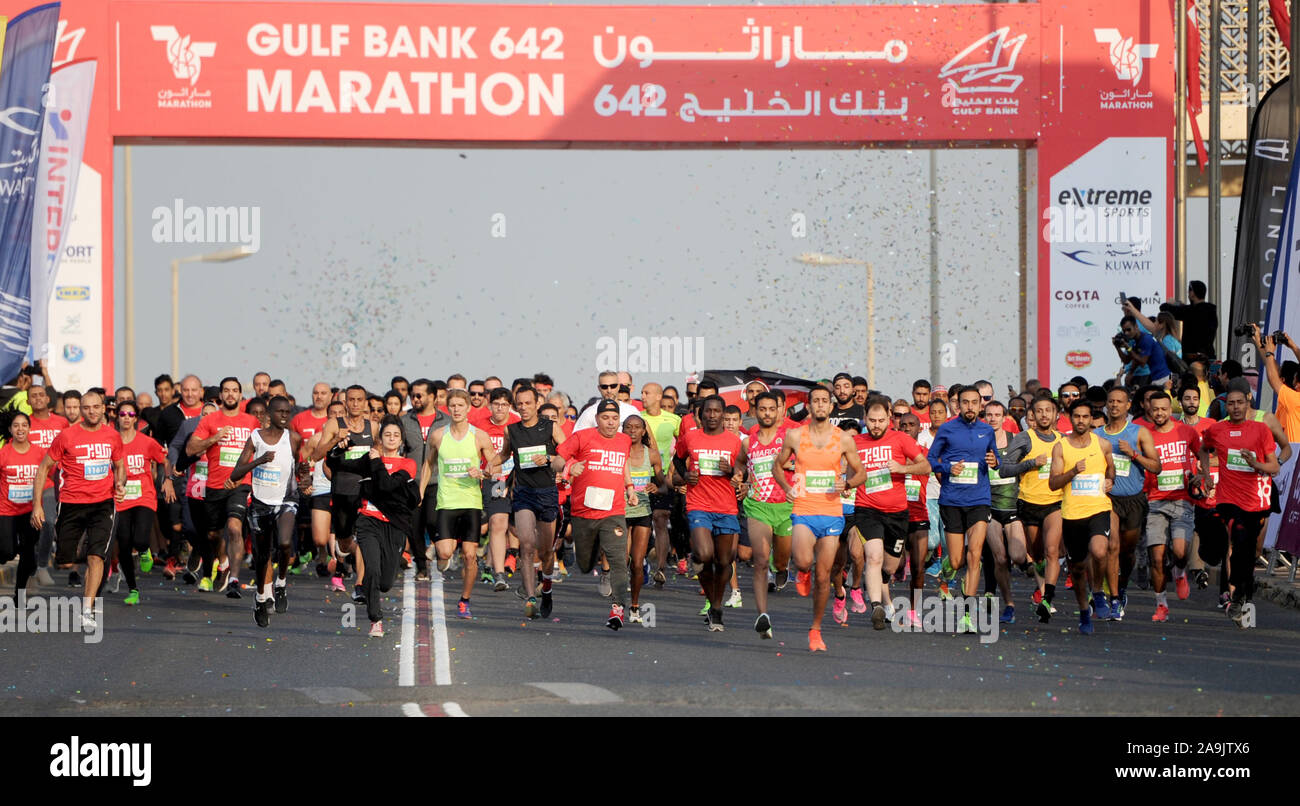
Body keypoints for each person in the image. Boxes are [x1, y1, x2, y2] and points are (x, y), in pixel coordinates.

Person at [771, 386, 867, 652]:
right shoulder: (795, 435)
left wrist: (847, 484)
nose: (821, 405)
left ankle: (815, 630)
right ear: (810, 406)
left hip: (832, 512)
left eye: (825, 401)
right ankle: (802, 572)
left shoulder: (843, 439)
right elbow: (777, 465)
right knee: (804, 561)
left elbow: (861, 473)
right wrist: (787, 487)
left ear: (831, 406)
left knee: (824, 577)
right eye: (816, 401)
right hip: (803, 508)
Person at [31, 390, 126, 628]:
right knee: (65, 560)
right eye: (86, 407)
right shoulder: (66, 436)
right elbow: (43, 468)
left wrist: (120, 483)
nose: (91, 411)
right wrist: (37, 506)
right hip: (72, 503)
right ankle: (82, 556)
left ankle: (87, 608)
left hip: (103, 503)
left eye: (96, 407)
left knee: (97, 555)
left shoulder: (112, 436)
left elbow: (120, 466)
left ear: (103, 409)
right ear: (81, 410)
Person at [328, 415, 417, 637]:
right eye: (387, 434)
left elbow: (387, 486)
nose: (391, 438)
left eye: (396, 435)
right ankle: (375, 620)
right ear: (380, 438)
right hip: (368, 522)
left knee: (385, 583)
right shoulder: (369, 458)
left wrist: (376, 462)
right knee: (373, 569)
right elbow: (337, 464)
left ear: (401, 439)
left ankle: (371, 590)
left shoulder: (408, 464)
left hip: (394, 526)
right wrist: (338, 449)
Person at [1198, 388, 1280, 627]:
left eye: (1239, 403)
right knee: (1235, 542)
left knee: (1250, 551)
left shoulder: (1260, 430)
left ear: (1247, 404)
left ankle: (1242, 596)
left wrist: (1254, 463)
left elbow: (1274, 467)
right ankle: (1235, 596)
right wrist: (1206, 474)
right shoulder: (1217, 430)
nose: (1235, 407)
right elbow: (1203, 449)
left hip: (1255, 501)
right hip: (1228, 499)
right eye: (1231, 403)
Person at [556, 399, 638, 630]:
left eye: (615, 418)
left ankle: (617, 609)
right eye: (605, 418)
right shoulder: (582, 437)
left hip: (614, 510)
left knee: (619, 558)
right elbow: (557, 459)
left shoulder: (624, 440)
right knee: (584, 564)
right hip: (584, 511)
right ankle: (593, 559)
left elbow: (623, 464)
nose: (611, 423)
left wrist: (630, 488)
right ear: (597, 419)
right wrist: (569, 468)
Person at [849, 398, 930, 629]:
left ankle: (880, 587)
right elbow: (847, 472)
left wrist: (903, 468)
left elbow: (926, 466)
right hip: (867, 509)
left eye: (881, 420)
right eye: (872, 420)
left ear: (889, 417)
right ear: (865, 418)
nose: (876, 425)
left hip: (897, 513)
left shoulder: (901, 439)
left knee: (891, 567)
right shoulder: (855, 442)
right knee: (873, 557)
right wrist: (847, 483)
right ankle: (876, 606)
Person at [927, 386, 1000, 632]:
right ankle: (947, 571)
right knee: (957, 561)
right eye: (965, 402)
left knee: (975, 555)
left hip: (979, 499)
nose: (970, 407)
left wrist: (995, 461)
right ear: (958, 405)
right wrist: (948, 468)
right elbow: (931, 459)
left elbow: (996, 459)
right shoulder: (947, 429)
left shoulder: (987, 430)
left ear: (981, 405)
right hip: (952, 501)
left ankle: (967, 615)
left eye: (974, 402)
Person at [229, 396, 307, 627]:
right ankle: (261, 598)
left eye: (287, 412)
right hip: (261, 503)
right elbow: (235, 473)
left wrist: (305, 477)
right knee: (262, 556)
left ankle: (281, 583)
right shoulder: (255, 438)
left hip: (286, 499)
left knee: (284, 543)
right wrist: (259, 460)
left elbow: (300, 467)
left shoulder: (293, 438)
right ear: (268, 414)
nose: (284, 416)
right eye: (280, 412)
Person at [420, 389, 496, 619]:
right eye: (452, 405)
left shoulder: (480, 436)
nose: (456, 410)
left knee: (470, 556)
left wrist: (482, 472)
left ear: (468, 408)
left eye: (460, 405)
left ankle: (465, 600)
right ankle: (447, 547)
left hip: (471, 502)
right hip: (447, 501)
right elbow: (428, 464)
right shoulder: (438, 435)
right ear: (448, 408)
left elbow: (495, 466)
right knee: (444, 552)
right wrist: (420, 492)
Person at [674, 396, 747, 632]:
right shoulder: (690, 437)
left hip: (726, 507)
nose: (712, 415)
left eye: (717, 411)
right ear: (701, 414)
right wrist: (686, 476)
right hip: (699, 504)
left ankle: (716, 606)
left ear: (723, 415)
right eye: (708, 411)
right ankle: (713, 602)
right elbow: (677, 459)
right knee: (705, 554)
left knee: (724, 561)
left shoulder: (735, 442)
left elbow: (744, 471)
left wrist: (732, 471)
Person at [493, 385, 567, 618]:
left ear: (537, 404)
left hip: (547, 493)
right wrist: (486, 464)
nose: (523, 407)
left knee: (546, 552)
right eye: (520, 404)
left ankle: (547, 589)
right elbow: (504, 454)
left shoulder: (550, 427)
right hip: (523, 493)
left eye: (528, 403)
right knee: (526, 544)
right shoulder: (511, 430)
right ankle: (530, 597)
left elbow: (566, 455)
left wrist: (549, 458)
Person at [186, 377, 260, 598]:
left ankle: (234, 580)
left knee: (235, 528)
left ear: (240, 395)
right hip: (215, 485)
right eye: (226, 391)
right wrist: (214, 438)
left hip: (240, 484)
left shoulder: (251, 422)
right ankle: (224, 562)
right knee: (213, 534)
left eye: (234, 390)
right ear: (220, 395)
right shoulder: (210, 420)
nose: (230, 394)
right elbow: (191, 449)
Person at [1048, 399, 1116, 635]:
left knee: (1099, 550)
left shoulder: (1103, 444)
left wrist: (1110, 480)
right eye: (1077, 416)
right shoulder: (1061, 447)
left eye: (1085, 417)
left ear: (1091, 419)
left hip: (1098, 508)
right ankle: (1084, 611)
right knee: (1077, 569)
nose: (1081, 421)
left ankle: (1097, 591)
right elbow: (1053, 483)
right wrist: (1073, 471)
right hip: (1072, 514)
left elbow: (1111, 468)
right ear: (1070, 417)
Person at [1093, 387, 1159, 621]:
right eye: (1111, 401)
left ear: (1128, 405)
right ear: (1106, 405)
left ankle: (1121, 588)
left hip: (1133, 500)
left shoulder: (1139, 432)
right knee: (1112, 546)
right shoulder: (1097, 435)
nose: (1114, 405)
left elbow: (1156, 467)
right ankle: (1113, 599)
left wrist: (1134, 454)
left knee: (1127, 552)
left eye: (1119, 402)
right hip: (1108, 499)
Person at [314, 385, 379, 596]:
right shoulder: (335, 424)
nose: (356, 404)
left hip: (365, 491)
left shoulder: (373, 427)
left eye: (360, 399)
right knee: (344, 541)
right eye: (351, 400)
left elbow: (380, 454)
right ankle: (347, 554)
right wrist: (335, 440)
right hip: (342, 492)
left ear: (365, 402)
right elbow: (317, 455)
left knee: (364, 537)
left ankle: (360, 585)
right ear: (345, 402)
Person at [1143, 391, 1200, 623]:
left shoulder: (1186, 431)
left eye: (1164, 409)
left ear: (1171, 409)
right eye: (1155, 409)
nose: (1159, 413)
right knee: (1156, 558)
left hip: (1182, 499)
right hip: (1155, 501)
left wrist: (1203, 475)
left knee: (1179, 552)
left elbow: (1202, 452)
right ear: (1149, 410)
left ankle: (1179, 572)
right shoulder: (1145, 435)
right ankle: (1161, 604)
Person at [113, 400, 167, 606]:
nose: (126, 418)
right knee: (124, 544)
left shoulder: (146, 442)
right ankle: (132, 589)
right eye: (122, 414)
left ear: (136, 418)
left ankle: (145, 550)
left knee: (140, 538)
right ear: (117, 417)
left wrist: (168, 480)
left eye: (130, 414)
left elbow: (165, 460)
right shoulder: (111, 442)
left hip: (144, 497)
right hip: (121, 498)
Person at [983, 400, 1025, 624]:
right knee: (999, 558)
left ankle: (1030, 565)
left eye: (997, 415)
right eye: (989, 415)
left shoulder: (1015, 439)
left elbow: (1026, 466)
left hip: (1012, 505)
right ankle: (1009, 604)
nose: (993, 419)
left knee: (1017, 556)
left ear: (1004, 417)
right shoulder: (979, 441)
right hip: (988, 506)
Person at [622, 415, 665, 623]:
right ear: (623, 430)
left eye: (637, 427)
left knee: (637, 564)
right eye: (628, 427)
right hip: (620, 512)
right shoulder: (618, 453)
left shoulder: (652, 455)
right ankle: (617, 604)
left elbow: (664, 485)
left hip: (643, 513)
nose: (632, 430)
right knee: (622, 561)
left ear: (643, 431)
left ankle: (634, 606)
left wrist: (656, 487)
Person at [639, 382, 681, 584]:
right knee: (642, 522)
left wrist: (676, 470)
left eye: (646, 393)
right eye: (641, 392)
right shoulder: (637, 418)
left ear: (658, 396)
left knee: (661, 519)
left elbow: (685, 447)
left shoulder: (673, 420)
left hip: (662, 476)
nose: (642, 396)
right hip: (640, 475)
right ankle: (640, 563)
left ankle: (661, 568)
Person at [0, 413, 44, 596]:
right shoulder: (3, 453)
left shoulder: (40, 453)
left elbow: (50, 477)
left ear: (29, 428)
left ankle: (19, 594)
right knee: (7, 552)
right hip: (6, 510)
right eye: (16, 425)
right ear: (10, 429)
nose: (20, 429)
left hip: (30, 511)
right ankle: (18, 548)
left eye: (24, 425)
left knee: (28, 554)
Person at [1159, 280, 1218, 359]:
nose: (1188, 294)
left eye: (1189, 291)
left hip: (1192, 358)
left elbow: (1164, 307)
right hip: (1209, 355)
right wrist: (1181, 305)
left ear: (1193, 293)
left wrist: (1172, 303)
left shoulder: (1189, 311)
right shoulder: (1211, 311)